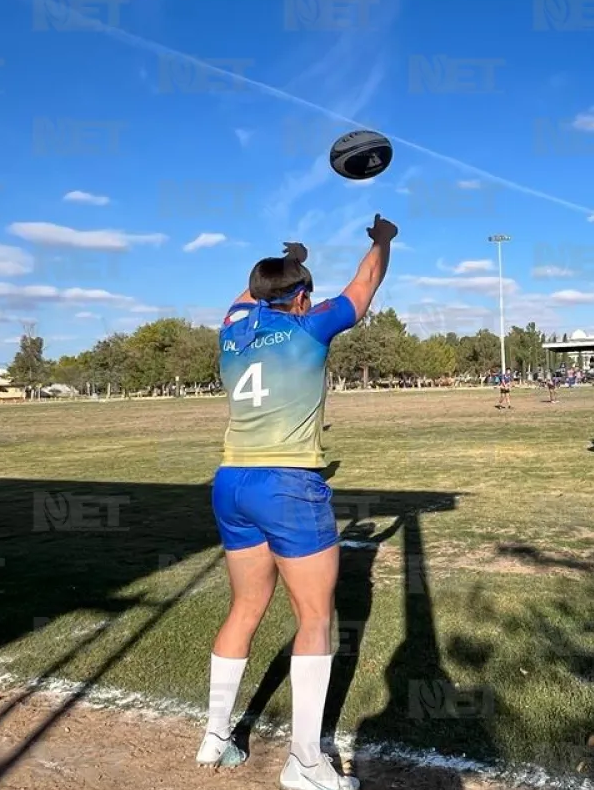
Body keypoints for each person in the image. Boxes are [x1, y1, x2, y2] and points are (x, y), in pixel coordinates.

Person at [198, 215, 397, 790]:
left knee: (245, 608)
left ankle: (215, 737)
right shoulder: (312, 325)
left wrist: (289, 256)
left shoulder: (233, 329)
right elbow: (364, 288)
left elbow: (249, 292)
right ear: (304, 295)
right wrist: (382, 241)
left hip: (232, 482)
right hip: (287, 484)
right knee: (314, 619)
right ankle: (306, 763)